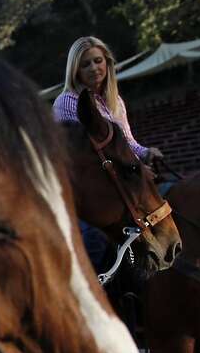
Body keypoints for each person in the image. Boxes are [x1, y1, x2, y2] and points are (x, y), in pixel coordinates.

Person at [52, 36, 164, 269]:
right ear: (75, 71)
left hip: (116, 184)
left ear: (107, 63)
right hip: (87, 194)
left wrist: (146, 153)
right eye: (85, 64)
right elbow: (84, 157)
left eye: (97, 61)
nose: (94, 68)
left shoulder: (114, 101)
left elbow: (128, 143)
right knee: (96, 239)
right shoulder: (66, 103)